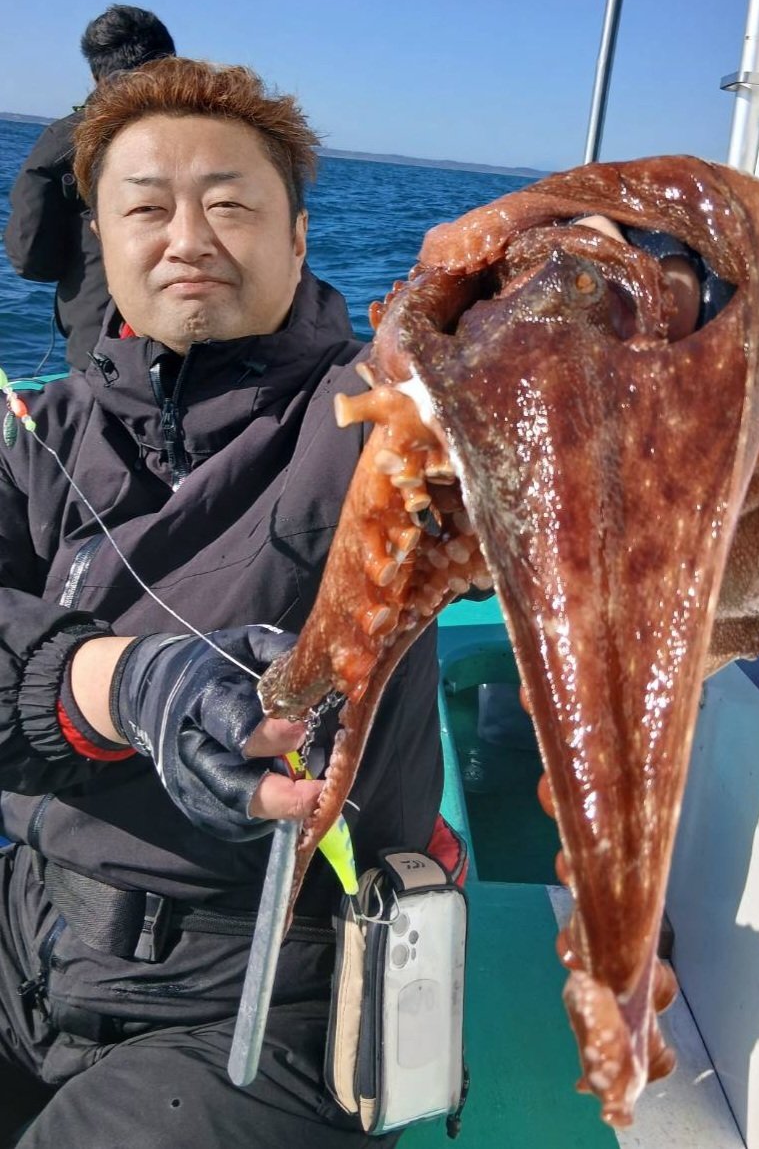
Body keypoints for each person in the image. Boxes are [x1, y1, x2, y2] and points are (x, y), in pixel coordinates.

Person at [0, 57, 443, 1147]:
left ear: (298, 238)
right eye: (145, 207)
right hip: (31, 923)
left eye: (232, 204)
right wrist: (118, 681)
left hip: (263, 988)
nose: (187, 236)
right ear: (99, 245)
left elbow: (512, 448)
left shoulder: (381, 425)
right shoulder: (44, 434)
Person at [4, 5, 176, 372]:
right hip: (205, 331)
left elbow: (31, 257)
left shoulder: (64, 140)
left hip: (99, 337)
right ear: (171, 60)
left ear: (97, 73)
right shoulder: (214, 131)